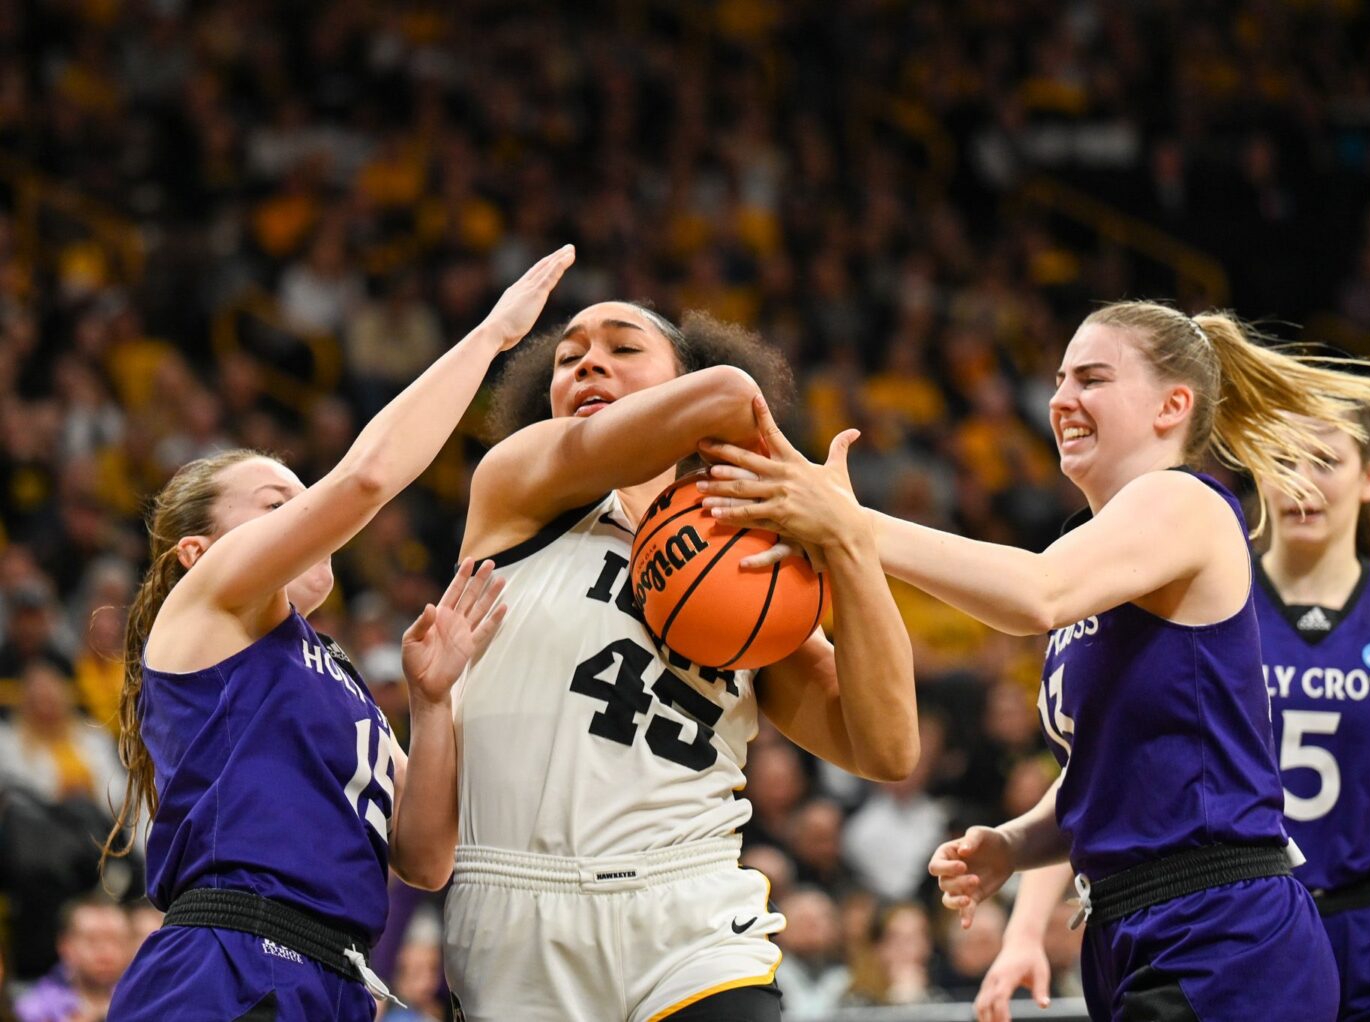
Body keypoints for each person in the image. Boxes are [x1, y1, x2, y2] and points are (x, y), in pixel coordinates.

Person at [700, 301, 1370, 1021]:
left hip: (1224, 930)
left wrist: (849, 523)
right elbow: (1111, 774)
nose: (1062, 398)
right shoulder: (1099, 553)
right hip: (1131, 927)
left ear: (1173, 405)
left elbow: (1035, 593)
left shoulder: (1184, 501)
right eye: (1062, 379)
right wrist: (1015, 844)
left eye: (1093, 379)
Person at [101, 246, 574, 1021]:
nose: (303, 516)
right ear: (198, 551)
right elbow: (365, 478)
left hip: (338, 980)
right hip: (229, 959)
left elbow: (423, 859)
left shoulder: (336, 676)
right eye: (276, 504)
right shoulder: (208, 606)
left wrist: (430, 703)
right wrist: (491, 335)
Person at [412, 301, 918, 1021]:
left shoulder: (751, 561)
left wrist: (848, 543)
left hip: (693, 911)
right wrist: (782, 469)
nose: (589, 362)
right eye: (568, 357)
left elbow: (888, 746)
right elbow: (728, 395)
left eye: (624, 348)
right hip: (517, 911)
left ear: (680, 375)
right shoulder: (518, 487)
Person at [969, 408, 1370, 1021]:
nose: (1301, 480)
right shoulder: (1197, 584)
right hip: (1236, 923)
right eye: (1283, 460)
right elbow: (1100, 774)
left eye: (1326, 461)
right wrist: (1025, 929)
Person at [15, 893, 131, 1022]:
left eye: (115, 940)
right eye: (92, 940)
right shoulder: (35, 1009)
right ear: (65, 945)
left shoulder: (139, 1001)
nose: (105, 950)